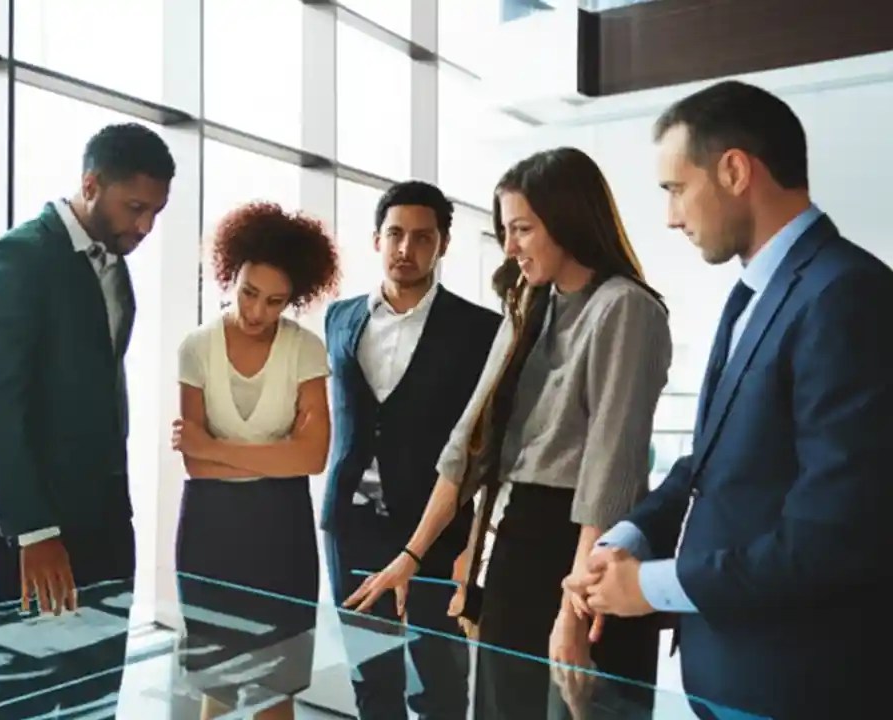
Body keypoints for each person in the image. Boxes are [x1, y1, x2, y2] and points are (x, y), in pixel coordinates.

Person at [566, 80, 893, 720]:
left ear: (736, 170)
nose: (670, 216)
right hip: (730, 673)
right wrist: (624, 541)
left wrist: (651, 589)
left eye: (676, 188)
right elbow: (707, 466)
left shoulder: (847, 296)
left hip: (799, 684)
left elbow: (832, 538)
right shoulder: (754, 293)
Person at [345, 147, 672, 720]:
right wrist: (412, 553)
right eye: (505, 230)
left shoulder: (625, 309)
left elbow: (610, 473)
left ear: (568, 220)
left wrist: (572, 610)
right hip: (515, 544)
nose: (510, 246)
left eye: (522, 228)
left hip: (582, 552)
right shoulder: (529, 301)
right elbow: (467, 444)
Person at [0, 122, 174, 717]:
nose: (144, 226)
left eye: (155, 212)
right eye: (134, 207)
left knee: (97, 679)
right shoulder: (19, 257)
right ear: (90, 184)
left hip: (105, 512)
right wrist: (34, 531)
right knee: (22, 688)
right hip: (37, 520)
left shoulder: (114, 267)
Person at [321, 181, 500, 719]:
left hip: (434, 528)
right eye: (395, 234)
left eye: (422, 238)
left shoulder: (479, 329)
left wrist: (474, 541)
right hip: (351, 524)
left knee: (440, 683)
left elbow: (484, 445)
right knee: (370, 676)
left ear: (442, 245)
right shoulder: (340, 316)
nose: (406, 248)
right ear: (376, 239)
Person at [171, 201, 338, 720]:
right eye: (248, 292)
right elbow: (193, 468)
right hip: (209, 528)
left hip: (281, 531)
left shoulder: (305, 349)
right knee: (215, 684)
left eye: (274, 301)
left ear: (294, 298)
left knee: (276, 683)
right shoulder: (195, 347)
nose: (256, 311)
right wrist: (276, 456)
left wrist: (212, 446)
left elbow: (313, 457)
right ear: (231, 272)